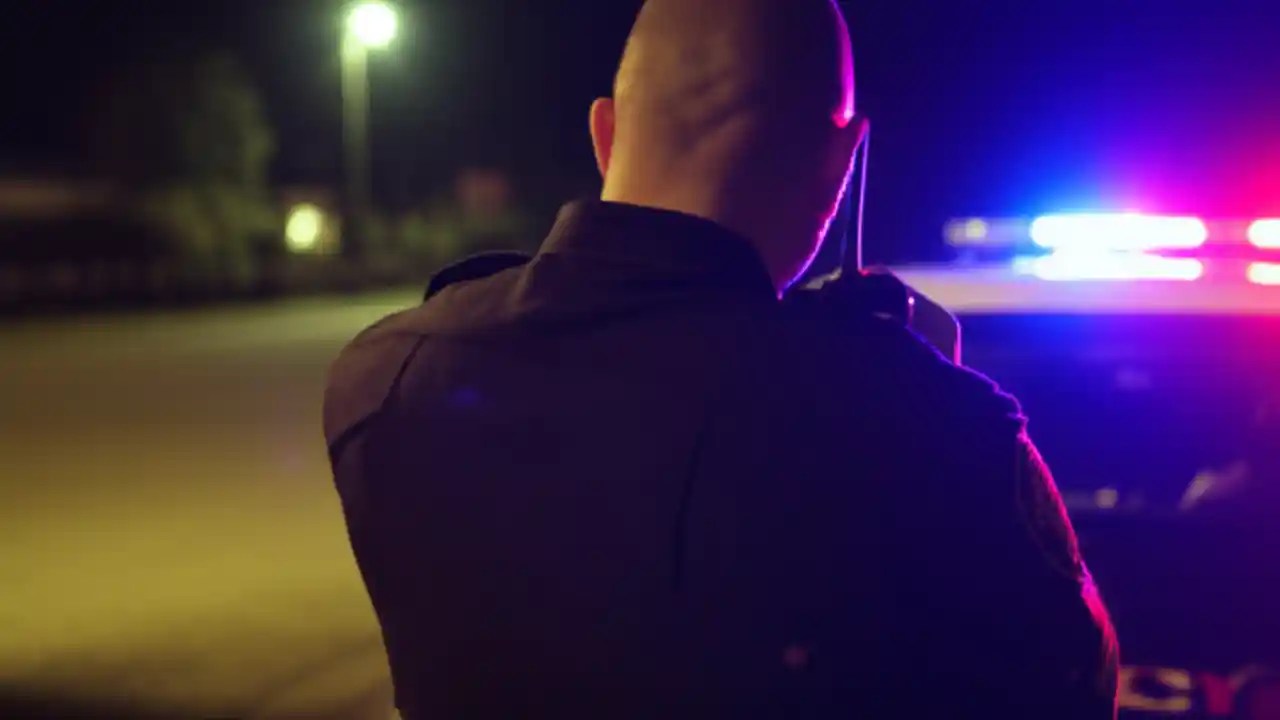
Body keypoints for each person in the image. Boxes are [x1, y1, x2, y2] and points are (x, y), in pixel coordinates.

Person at [323, 0, 1119, 717]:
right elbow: (1077, 685)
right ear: (840, 165)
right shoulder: (927, 425)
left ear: (605, 134)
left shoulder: (384, 375)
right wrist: (921, 385)